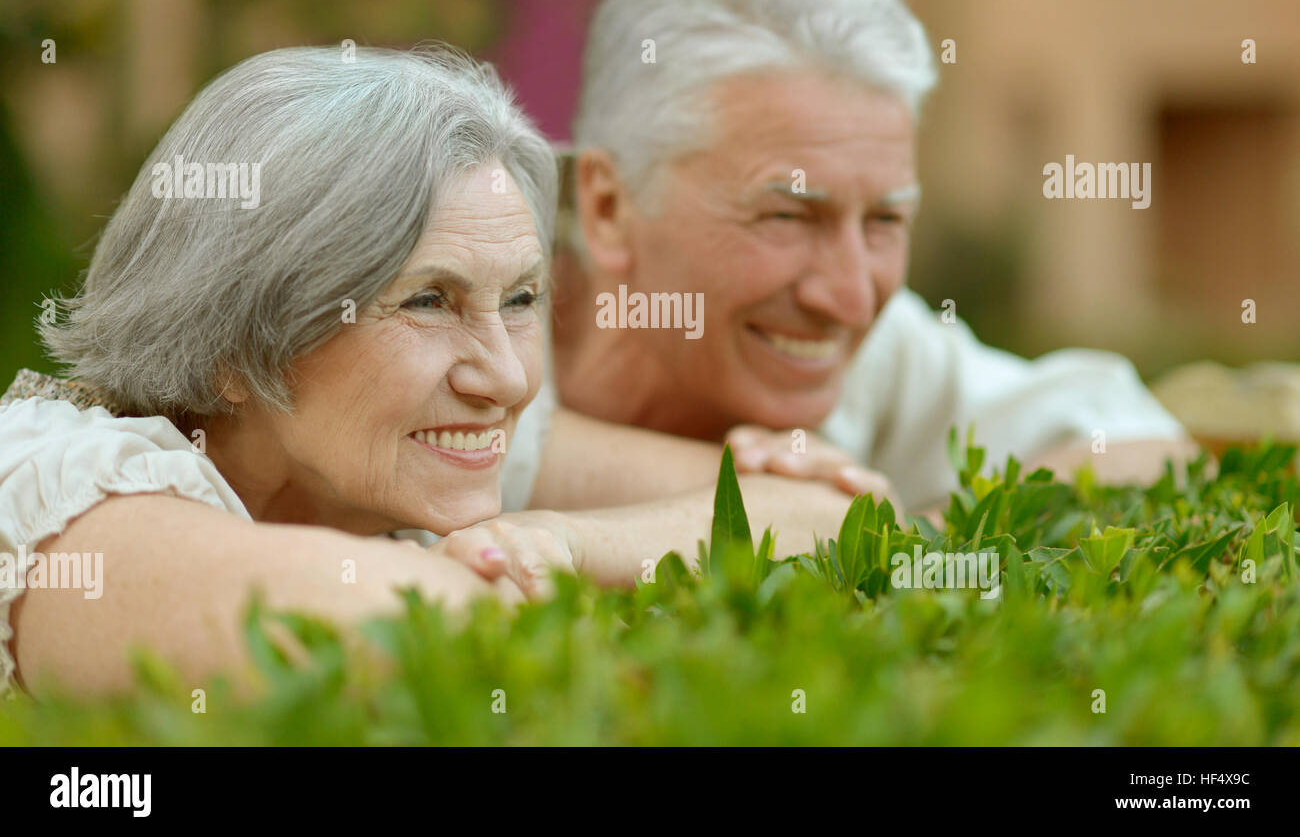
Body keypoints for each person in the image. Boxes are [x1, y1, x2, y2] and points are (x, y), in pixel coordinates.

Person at [0, 44, 857, 696]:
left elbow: (833, 515)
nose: (507, 378)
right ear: (237, 345)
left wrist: (560, 542)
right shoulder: (53, 490)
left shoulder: (411, 448)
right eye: (426, 302)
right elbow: (398, 628)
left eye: (520, 299)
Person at [535, 0, 1196, 513]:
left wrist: (918, 541)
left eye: (883, 220)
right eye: (788, 216)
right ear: (609, 208)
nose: (850, 298)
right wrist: (790, 505)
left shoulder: (876, 350)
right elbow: (454, 454)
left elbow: (1141, 441)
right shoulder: (464, 298)